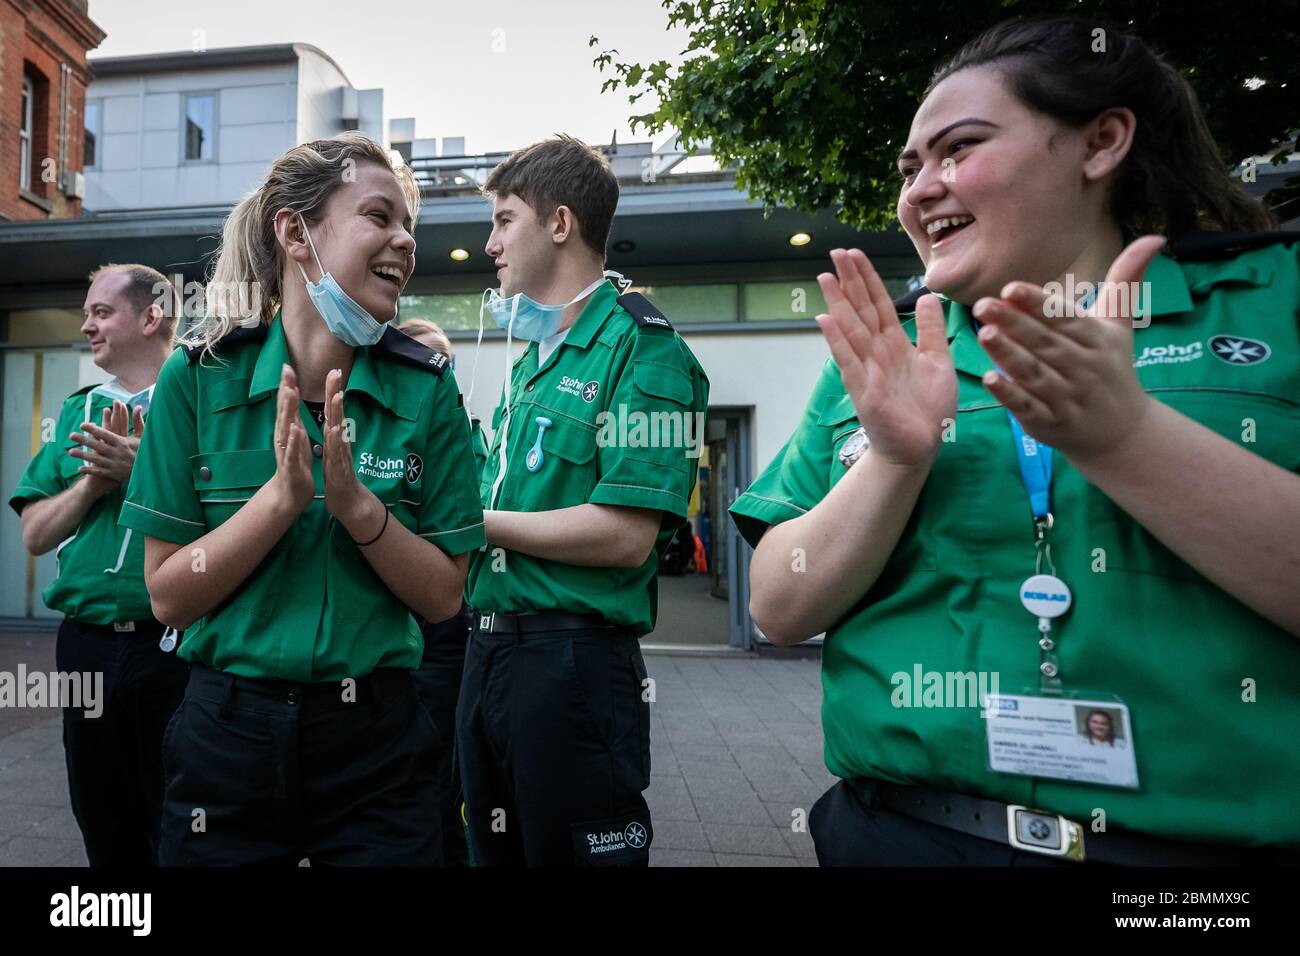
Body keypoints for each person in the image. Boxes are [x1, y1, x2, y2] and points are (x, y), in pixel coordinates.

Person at [730, 16, 1300, 866]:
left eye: (958, 149)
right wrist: (893, 460)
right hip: (901, 835)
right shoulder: (890, 350)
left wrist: (1125, 438)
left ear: (1101, 142)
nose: (921, 189)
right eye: (910, 167)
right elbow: (778, 606)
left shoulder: (1272, 298)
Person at [117, 133, 486, 865]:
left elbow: (446, 596)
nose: (405, 240)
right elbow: (167, 596)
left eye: (408, 225)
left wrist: (360, 512)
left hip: (378, 750)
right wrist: (279, 503)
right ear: (294, 232)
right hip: (228, 743)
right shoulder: (197, 380)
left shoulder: (428, 387)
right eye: (379, 217)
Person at [458, 135, 709, 866]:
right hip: (489, 651)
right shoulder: (533, 360)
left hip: (571, 664)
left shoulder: (646, 348)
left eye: (505, 220)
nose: (490, 244)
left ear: (559, 223)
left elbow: (625, 536)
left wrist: (467, 524)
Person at [9, 264, 188, 866]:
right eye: (87, 312)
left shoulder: (201, 407)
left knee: (180, 812)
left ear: (151, 316)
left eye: (101, 312)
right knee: (100, 808)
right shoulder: (75, 413)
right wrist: (90, 485)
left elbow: (236, 513)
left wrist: (143, 464)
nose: (87, 325)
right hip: (85, 648)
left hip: (174, 648)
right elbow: (34, 535)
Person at [398, 317, 481, 866]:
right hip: (395, 628)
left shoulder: (470, 433)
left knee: (452, 777)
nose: (438, 370)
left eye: (446, 361)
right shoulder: (378, 427)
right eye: (426, 360)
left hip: (451, 630)